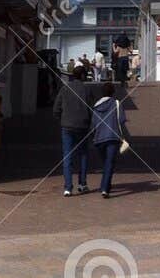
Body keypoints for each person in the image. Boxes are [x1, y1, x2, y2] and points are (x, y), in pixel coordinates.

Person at [54, 66, 95, 195]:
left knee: (67, 156)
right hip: (82, 126)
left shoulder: (65, 88)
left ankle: (67, 187)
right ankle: (82, 184)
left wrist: (61, 118)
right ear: (82, 76)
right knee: (83, 155)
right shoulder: (87, 90)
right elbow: (91, 109)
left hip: (67, 126)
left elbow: (56, 108)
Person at [90, 86, 130, 198]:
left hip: (99, 138)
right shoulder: (116, 104)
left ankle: (105, 185)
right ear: (113, 92)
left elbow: (93, 124)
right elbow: (121, 119)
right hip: (113, 137)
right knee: (109, 163)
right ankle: (105, 188)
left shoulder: (96, 106)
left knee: (105, 163)